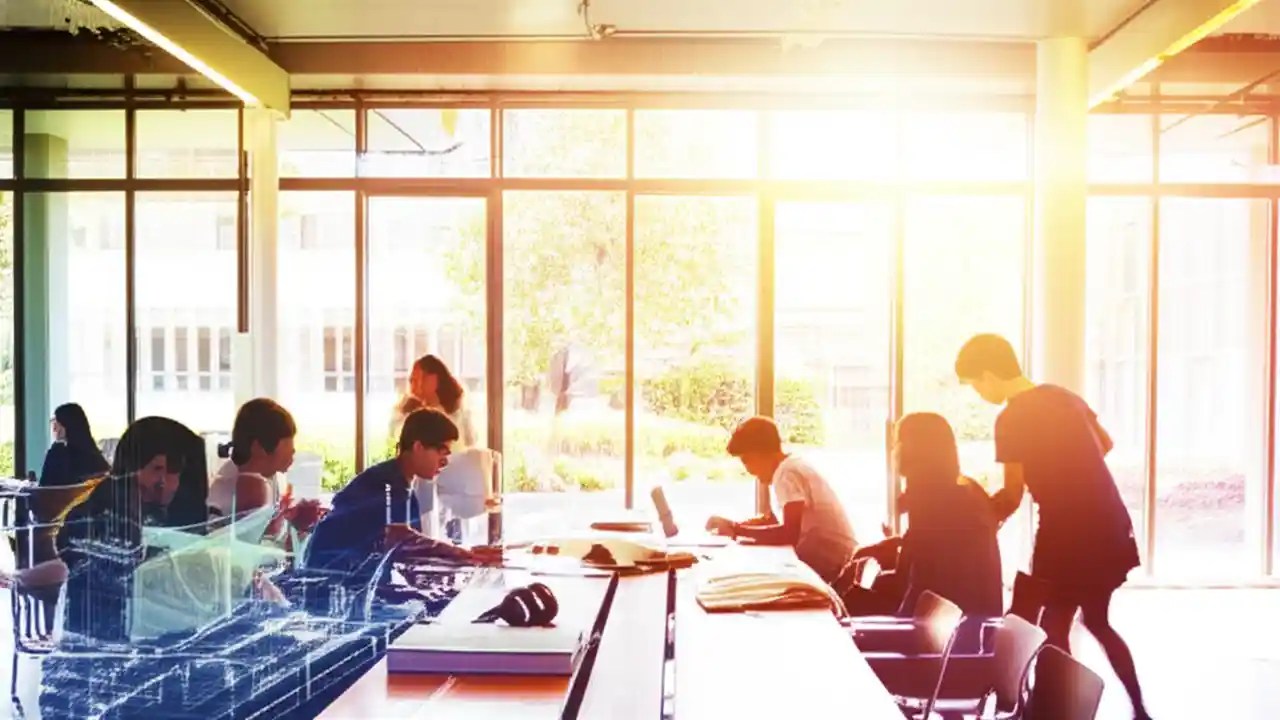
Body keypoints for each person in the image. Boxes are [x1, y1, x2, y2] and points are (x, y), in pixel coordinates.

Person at [955, 333, 1151, 720]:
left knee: (1052, 627)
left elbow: (1012, 494)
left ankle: (1054, 712)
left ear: (990, 375)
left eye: (976, 384)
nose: (979, 393)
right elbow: (1105, 444)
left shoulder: (1011, 418)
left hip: (1067, 532)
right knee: (1096, 621)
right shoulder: (1065, 397)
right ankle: (1138, 709)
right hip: (1109, 523)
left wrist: (978, 518)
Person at [305, 408, 500, 585]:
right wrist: (462, 555)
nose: (444, 462)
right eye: (441, 453)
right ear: (418, 447)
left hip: (345, 577)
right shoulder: (386, 484)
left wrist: (463, 554)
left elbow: (411, 554)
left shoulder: (400, 484)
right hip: (329, 581)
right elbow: (400, 540)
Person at [850, 413, 1002, 624]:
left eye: (897, 443)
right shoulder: (962, 491)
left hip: (953, 629)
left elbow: (920, 591)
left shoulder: (933, 502)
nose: (894, 452)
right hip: (968, 623)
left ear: (913, 450)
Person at [705, 416, 857, 585]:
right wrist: (739, 526)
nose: (747, 470)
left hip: (835, 566)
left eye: (746, 460)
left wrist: (736, 529)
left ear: (760, 453)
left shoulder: (786, 474)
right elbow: (776, 521)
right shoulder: (791, 465)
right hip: (838, 559)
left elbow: (789, 534)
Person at [390, 354, 477, 447]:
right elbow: (396, 439)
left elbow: (470, 441)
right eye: (412, 380)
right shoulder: (406, 411)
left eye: (421, 378)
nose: (414, 386)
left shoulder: (458, 409)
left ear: (435, 378)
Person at [40, 403, 110, 488]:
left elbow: (43, 489)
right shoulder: (96, 457)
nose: (54, 429)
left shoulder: (57, 454)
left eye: (56, 423)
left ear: (66, 425)